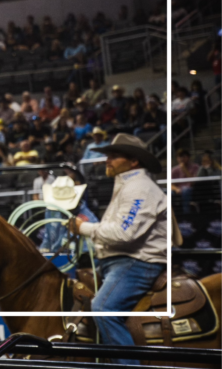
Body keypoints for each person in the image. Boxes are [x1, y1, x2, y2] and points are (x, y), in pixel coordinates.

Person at [68, 134, 167, 365]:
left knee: (103, 307)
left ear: (134, 162)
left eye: (114, 156)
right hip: (121, 262)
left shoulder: (139, 188)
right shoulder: (129, 186)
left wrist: (84, 228)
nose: (107, 160)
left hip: (136, 263)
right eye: (107, 156)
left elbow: (124, 234)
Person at [170, 149, 199, 214]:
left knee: (186, 190)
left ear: (188, 157)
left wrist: (184, 169)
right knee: (167, 192)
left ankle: (186, 213)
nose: (181, 159)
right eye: (179, 157)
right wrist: (176, 189)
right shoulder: (174, 170)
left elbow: (193, 182)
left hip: (190, 189)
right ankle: (171, 214)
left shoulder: (195, 167)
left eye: (184, 156)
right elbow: (171, 184)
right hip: (178, 190)